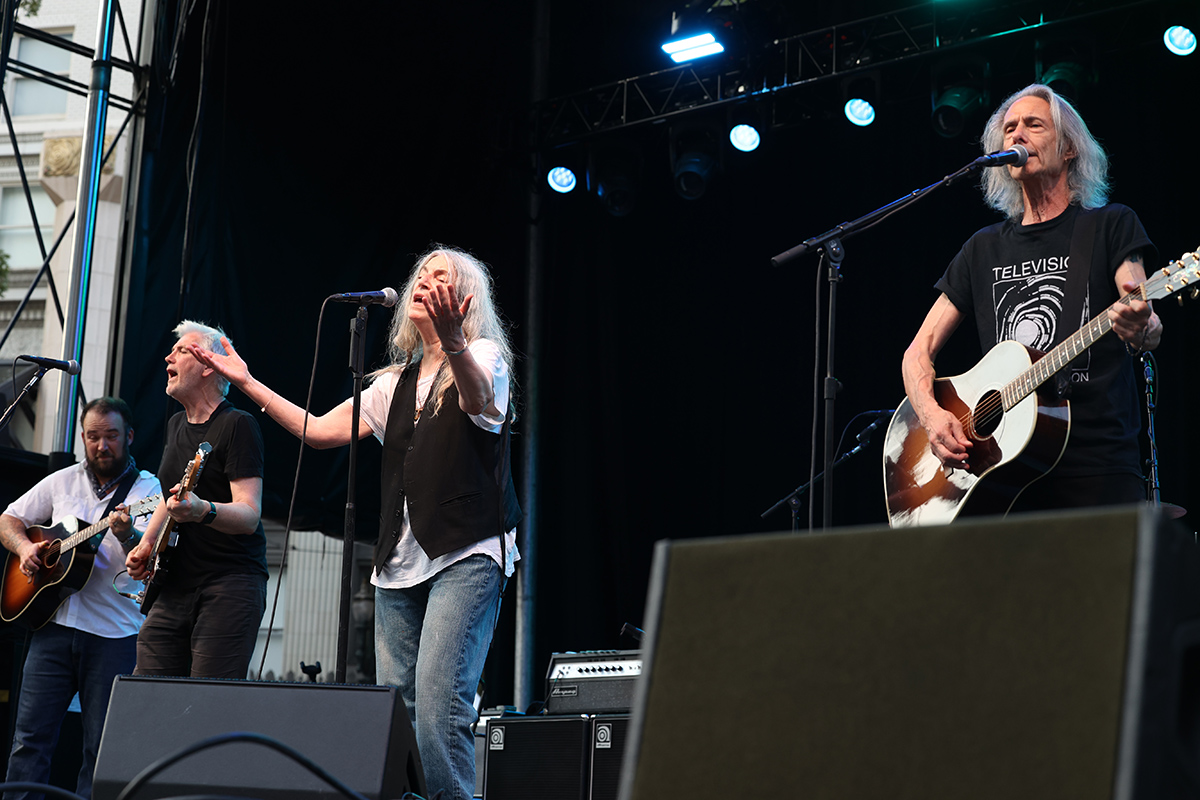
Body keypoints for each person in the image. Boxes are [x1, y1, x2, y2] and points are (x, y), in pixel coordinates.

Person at [188, 246, 521, 800]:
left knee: (440, 709)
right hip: (399, 565)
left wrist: (456, 341)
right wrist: (245, 381)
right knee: (398, 711)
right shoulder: (395, 383)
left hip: (468, 552)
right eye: (421, 274)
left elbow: (478, 398)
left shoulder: (484, 356)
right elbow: (317, 430)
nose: (425, 282)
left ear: (464, 301)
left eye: (441, 277)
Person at [901, 83, 1161, 512]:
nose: (1017, 134)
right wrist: (932, 416)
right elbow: (917, 353)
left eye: (1034, 124)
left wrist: (1143, 324)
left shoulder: (1110, 225)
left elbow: (1143, 318)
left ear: (1070, 148)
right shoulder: (982, 249)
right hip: (1005, 471)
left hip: (1097, 467)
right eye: (1009, 128)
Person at [0, 397, 159, 800]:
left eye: (111, 436)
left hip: (114, 635)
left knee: (101, 748)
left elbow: (151, 556)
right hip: (53, 627)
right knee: (28, 740)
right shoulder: (62, 480)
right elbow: (8, 519)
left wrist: (126, 533)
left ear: (129, 437)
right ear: (83, 438)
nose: (102, 446)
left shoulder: (148, 491)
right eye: (93, 437)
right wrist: (23, 549)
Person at [125, 321, 267, 679]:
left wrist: (202, 511)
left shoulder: (238, 424)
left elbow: (249, 514)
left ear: (208, 366)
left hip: (229, 584)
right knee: (148, 694)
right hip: (173, 584)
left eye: (181, 351)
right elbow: (168, 497)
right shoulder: (175, 425)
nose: (167, 357)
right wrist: (145, 544)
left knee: (206, 702)